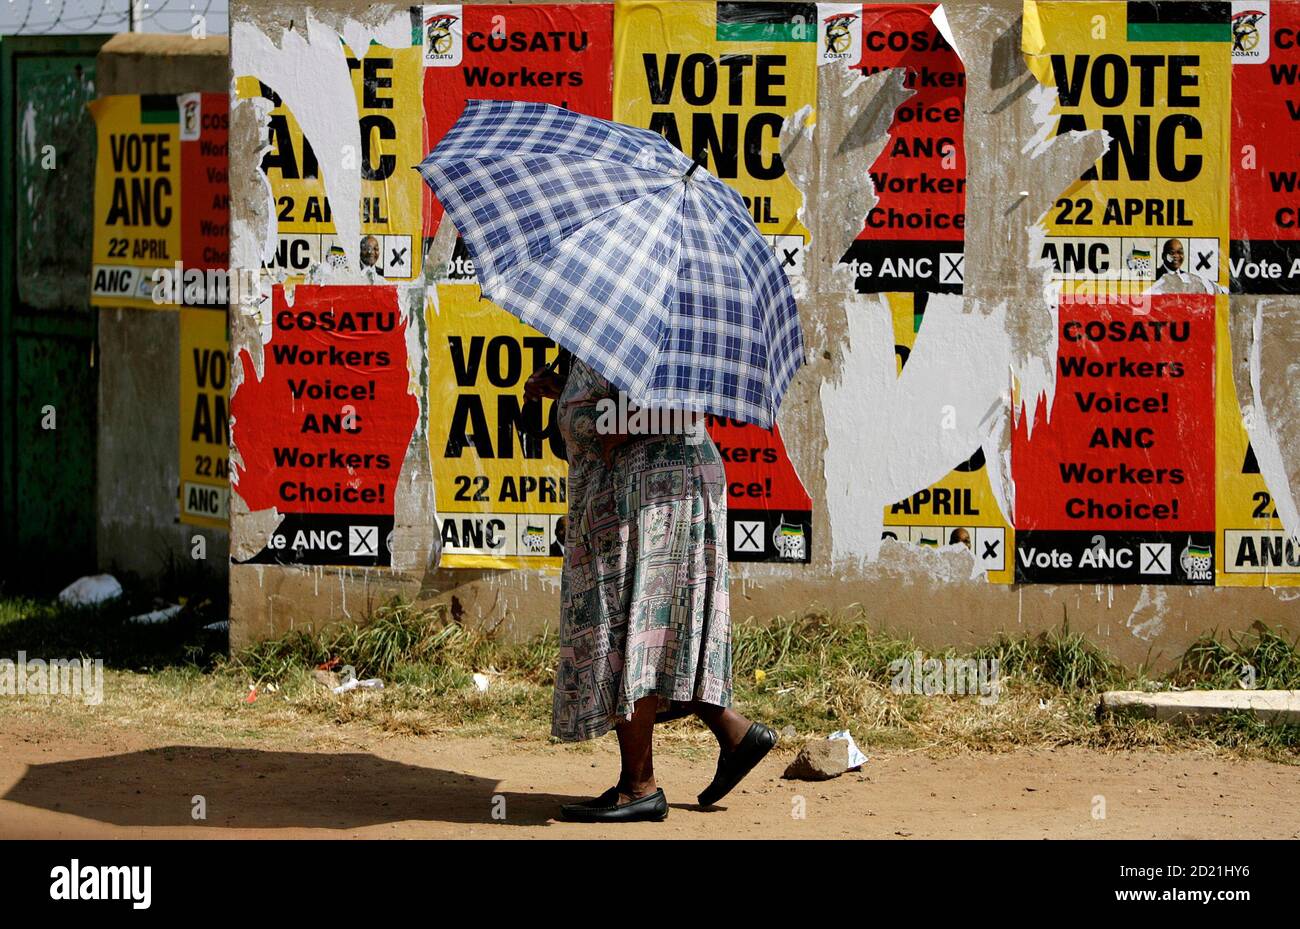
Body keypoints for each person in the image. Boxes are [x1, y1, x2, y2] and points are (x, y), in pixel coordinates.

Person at [525, 350, 777, 823]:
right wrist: (567, 396)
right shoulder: (609, 326)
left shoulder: (645, 324)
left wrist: (623, 424)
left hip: (656, 493)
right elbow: (616, 404)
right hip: (638, 491)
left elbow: (685, 405)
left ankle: (639, 787)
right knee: (648, 629)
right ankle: (735, 736)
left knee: (631, 628)